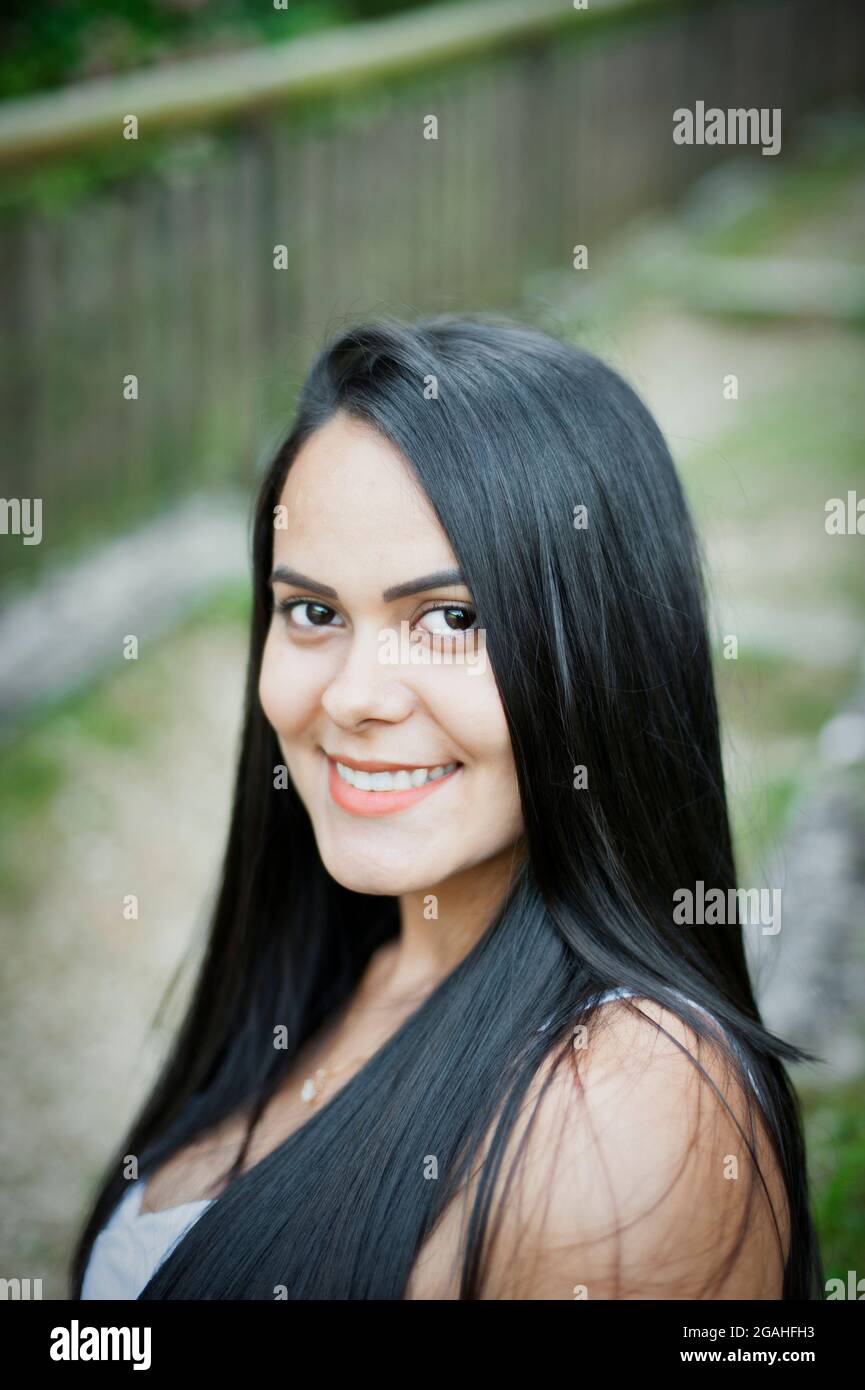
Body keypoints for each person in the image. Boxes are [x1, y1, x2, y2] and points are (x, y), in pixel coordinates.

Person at [72, 314, 823, 1300]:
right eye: (313, 611)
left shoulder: (619, 1115)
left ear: (602, 653)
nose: (351, 697)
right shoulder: (332, 963)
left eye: (451, 618)